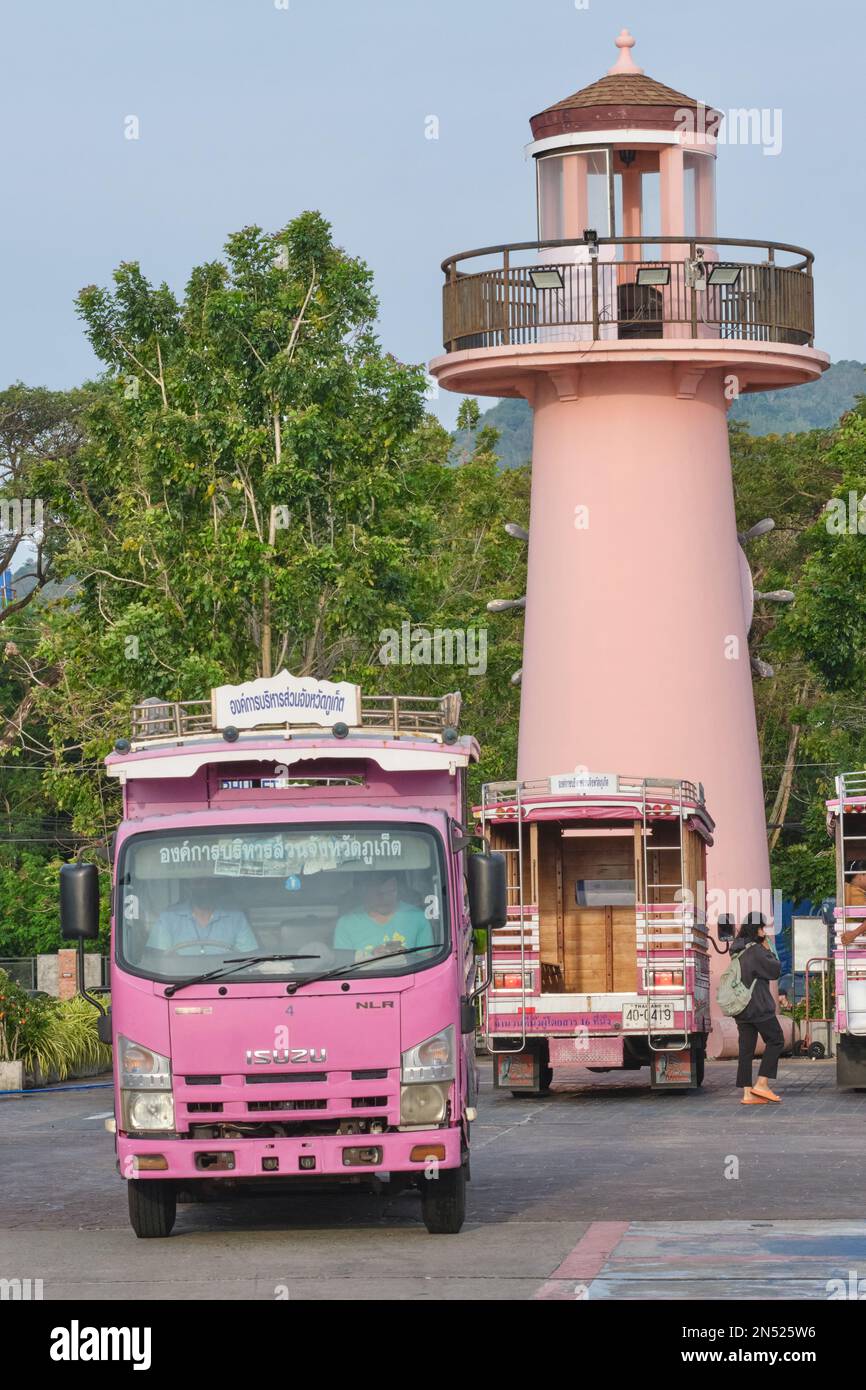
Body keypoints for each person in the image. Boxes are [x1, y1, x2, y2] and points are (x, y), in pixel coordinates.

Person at [731, 912, 784, 1106]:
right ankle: (762, 1083)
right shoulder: (756, 951)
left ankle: (747, 1094)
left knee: (746, 1050)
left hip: (740, 1007)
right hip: (758, 1006)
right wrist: (769, 948)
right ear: (756, 930)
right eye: (762, 928)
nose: (764, 931)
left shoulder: (736, 949)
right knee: (776, 1040)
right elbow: (775, 970)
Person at [334, 872, 434, 961]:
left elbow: (429, 962)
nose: (384, 898)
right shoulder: (347, 923)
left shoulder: (416, 917)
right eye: (378, 893)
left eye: (390, 892)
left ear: (398, 890)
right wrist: (372, 956)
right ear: (365, 892)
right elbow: (343, 967)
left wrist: (407, 956)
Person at [148, 877, 257, 956]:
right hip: (178, 981)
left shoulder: (236, 917)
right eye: (198, 882)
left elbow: (248, 957)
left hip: (226, 981)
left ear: (219, 886)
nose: (205, 887)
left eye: (210, 882)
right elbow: (157, 957)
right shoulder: (168, 917)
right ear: (188, 886)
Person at [841, 860, 866, 947]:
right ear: (860, 875)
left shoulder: (846, 889)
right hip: (856, 946)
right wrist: (855, 933)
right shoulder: (855, 893)